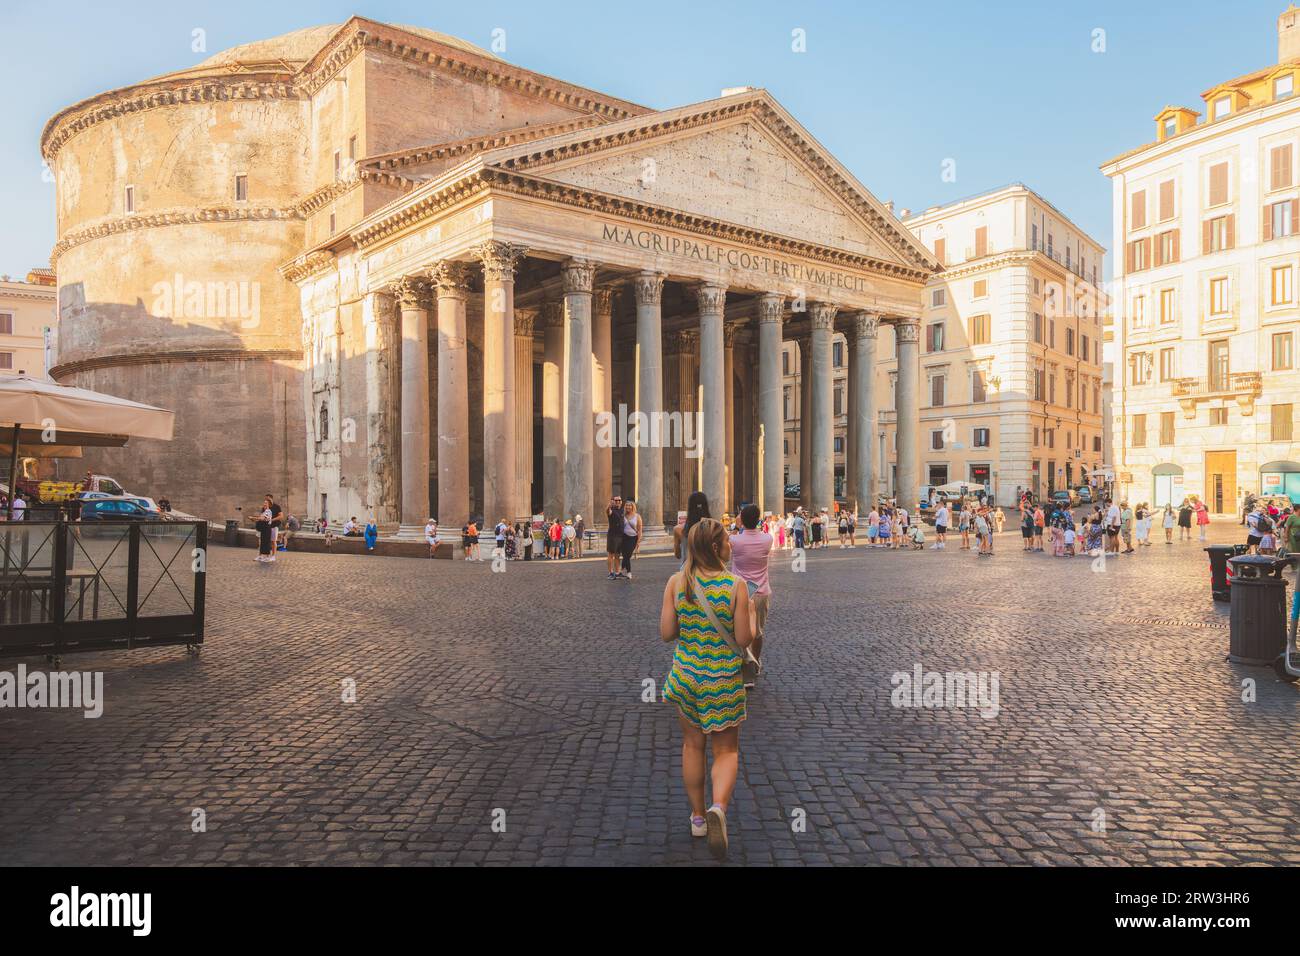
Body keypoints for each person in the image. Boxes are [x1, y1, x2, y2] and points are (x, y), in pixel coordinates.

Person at [660, 517, 753, 861]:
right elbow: (743, 639)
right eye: (727, 541)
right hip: (722, 680)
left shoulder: (676, 582)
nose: (731, 546)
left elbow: (667, 633)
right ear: (716, 548)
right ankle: (718, 807)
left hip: (685, 677)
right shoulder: (735, 586)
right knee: (726, 751)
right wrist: (752, 617)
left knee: (692, 746)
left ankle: (698, 818)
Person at [729, 504, 772, 688]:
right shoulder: (767, 539)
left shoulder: (735, 540)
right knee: (758, 631)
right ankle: (756, 662)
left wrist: (738, 527)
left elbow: (731, 540)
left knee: (740, 630)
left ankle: (746, 666)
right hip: (761, 591)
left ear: (742, 519)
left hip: (741, 591)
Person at [619, 499, 642, 580]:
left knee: (627, 555)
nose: (628, 507)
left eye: (630, 505)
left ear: (633, 507)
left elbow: (639, 529)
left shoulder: (637, 516)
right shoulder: (623, 515)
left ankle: (621, 570)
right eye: (627, 506)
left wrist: (638, 541)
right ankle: (628, 572)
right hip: (624, 537)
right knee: (625, 555)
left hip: (633, 538)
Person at [605, 496, 624, 579]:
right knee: (611, 554)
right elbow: (607, 511)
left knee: (617, 555)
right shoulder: (611, 510)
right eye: (616, 500)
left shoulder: (622, 510)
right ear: (613, 501)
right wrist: (609, 505)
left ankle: (617, 572)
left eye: (619, 500)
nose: (618, 502)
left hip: (621, 535)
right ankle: (610, 572)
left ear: (621, 501)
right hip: (612, 536)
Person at [251, 496, 274, 562]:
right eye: (264, 503)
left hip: (267, 528)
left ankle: (267, 557)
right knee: (262, 542)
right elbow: (260, 519)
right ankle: (261, 556)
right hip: (264, 529)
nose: (264, 504)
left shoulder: (268, 511)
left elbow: (263, 518)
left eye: (266, 503)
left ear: (269, 504)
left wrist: (253, 518)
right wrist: (254, 519)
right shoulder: (264, 511)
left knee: (266, 542)